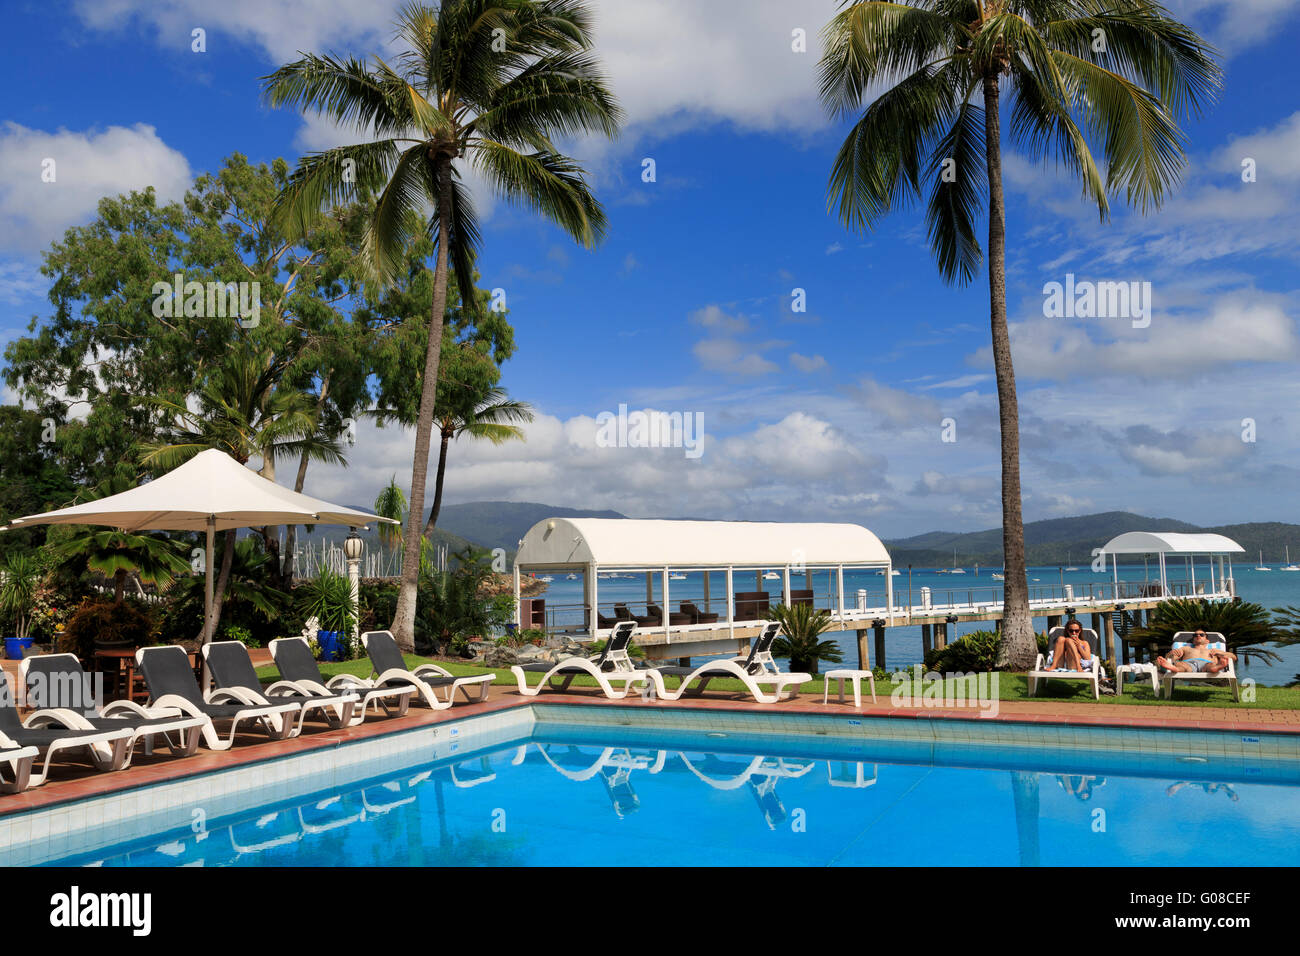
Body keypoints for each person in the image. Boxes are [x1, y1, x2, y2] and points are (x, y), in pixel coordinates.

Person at [1156, 630, 1235, 675]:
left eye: (1201, 634)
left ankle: (1217, 667)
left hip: (1206, 664)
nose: (1198, 636)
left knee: (1211, 665)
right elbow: (1172, 657)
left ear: (1207, 641)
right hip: (1189, 664)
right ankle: (1174, 668)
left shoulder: (1213, 650)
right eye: (1195, 635)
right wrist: (1171, 654)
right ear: (1193, 640)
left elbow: (1233, 657)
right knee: (1181, 664)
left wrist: (1221, 654)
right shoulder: (1186, 648)